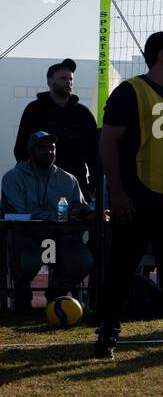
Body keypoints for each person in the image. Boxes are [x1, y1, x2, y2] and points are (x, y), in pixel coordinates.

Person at [93, 31, 163, 359]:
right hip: (138, 197)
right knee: (123, 268)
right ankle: (107, 336)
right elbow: (107, 144)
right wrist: (117, 192)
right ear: (162, 56)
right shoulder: (130, 92)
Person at [1, 131, 94, 311]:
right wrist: (52, 216)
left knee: (83, 262)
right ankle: (22, 296)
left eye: (52, 147)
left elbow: (80, 207)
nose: (49, 151)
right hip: (28, 236)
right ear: (30, 152)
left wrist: (85, 212)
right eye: (41, 147)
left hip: (63, 237)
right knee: (28, 263)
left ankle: (56, 293)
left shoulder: (68, 179)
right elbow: (18, 213)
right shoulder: (13, 178)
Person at [13, 59, 99, 201]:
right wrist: (30, 181)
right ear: (50, 81)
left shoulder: (83, 114)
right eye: (63, 78)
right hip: (40, 187)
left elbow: (94, 154)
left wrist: (92, 186)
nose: (68, 82)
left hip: (77, 187)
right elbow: (21, 149)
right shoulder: (35, 110)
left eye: (71, 79)